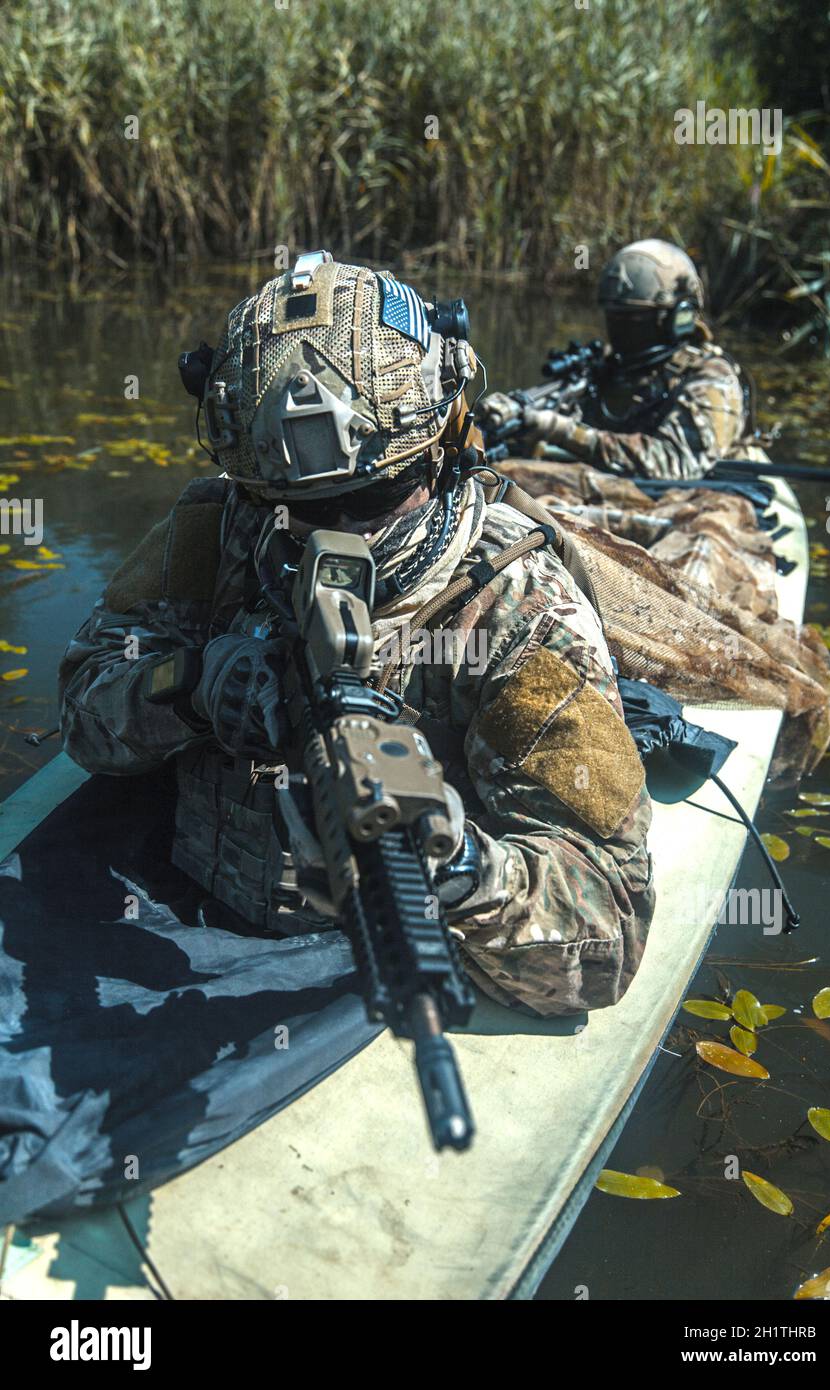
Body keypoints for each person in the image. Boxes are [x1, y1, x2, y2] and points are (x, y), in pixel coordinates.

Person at [58, 254, 654, 1018]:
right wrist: (191, 688)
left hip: (378, 974)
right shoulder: (214, 530)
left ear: (447, 445)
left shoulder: (516, 610)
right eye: (303, 508)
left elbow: (605, 935)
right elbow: (83, 708)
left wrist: (461, 865)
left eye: (376, 495)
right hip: (186, 932)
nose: (347, 533)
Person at [480, 239, 751, 480]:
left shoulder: (711, 377)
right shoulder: (608, 368)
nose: (622, 332)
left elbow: (673, 462)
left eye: (635, 321)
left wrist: (561, 430)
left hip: (692, 493)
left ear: (678, 317)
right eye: (615, 318)